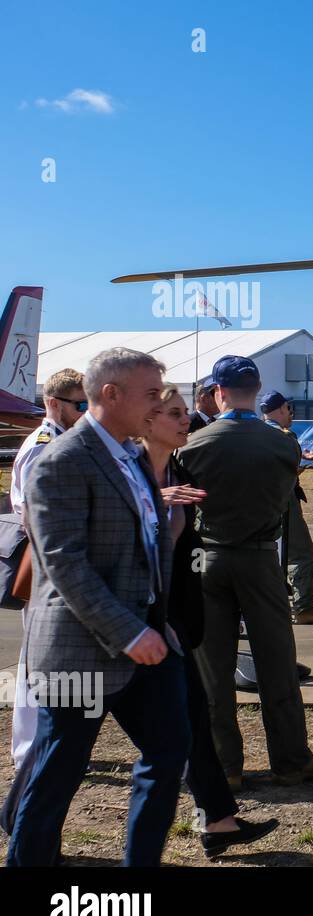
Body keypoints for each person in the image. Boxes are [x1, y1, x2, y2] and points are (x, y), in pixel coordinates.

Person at [7, 348, 189, 867]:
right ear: (111, 395)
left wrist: (165, 543)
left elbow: (141, 545)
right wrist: (130, 632)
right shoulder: (59, 461)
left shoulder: (131, 457)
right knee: (58, 772)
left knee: (169, 750)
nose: (159, 404)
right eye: (151, 394)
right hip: (82, 649)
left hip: (149, 640)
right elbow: (64, 564)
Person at [178, 355, 313, 790]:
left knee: (213, 666)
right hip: (261, 557)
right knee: (276, 661)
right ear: (256, 389)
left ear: (218, 393)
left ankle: (225, 766)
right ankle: (290, 760)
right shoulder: (282, 442)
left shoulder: (194, 445)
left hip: (209, 558)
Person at [141, 383, 279, 857]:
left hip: (174, 616)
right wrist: (156, 500)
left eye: (186, 412)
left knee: (192, 715)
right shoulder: (128, 471)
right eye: (175, 414)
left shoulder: (176, 464)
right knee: (71, 740)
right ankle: (23, 820)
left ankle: (218, 822)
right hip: (130, 624)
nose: (187, 421)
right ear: (146, 419)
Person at [0, 368, 86, 837]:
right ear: (54, 402)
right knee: (36, 665)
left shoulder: (53, 441)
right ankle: (28, 754)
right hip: (47, 568)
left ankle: (34, 752)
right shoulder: (42, 447)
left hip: (53, 568)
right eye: (79, 405)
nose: (84, 413)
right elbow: (38, 515)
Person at [259, 390, 313, 625]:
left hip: (255, 503)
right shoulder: (284, 435)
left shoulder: (252, 433)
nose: (290, 415)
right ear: (281, 409)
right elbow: (289, 466)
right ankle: (303, 608)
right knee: (300, 554)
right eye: (288, 410)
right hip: (283, 500)